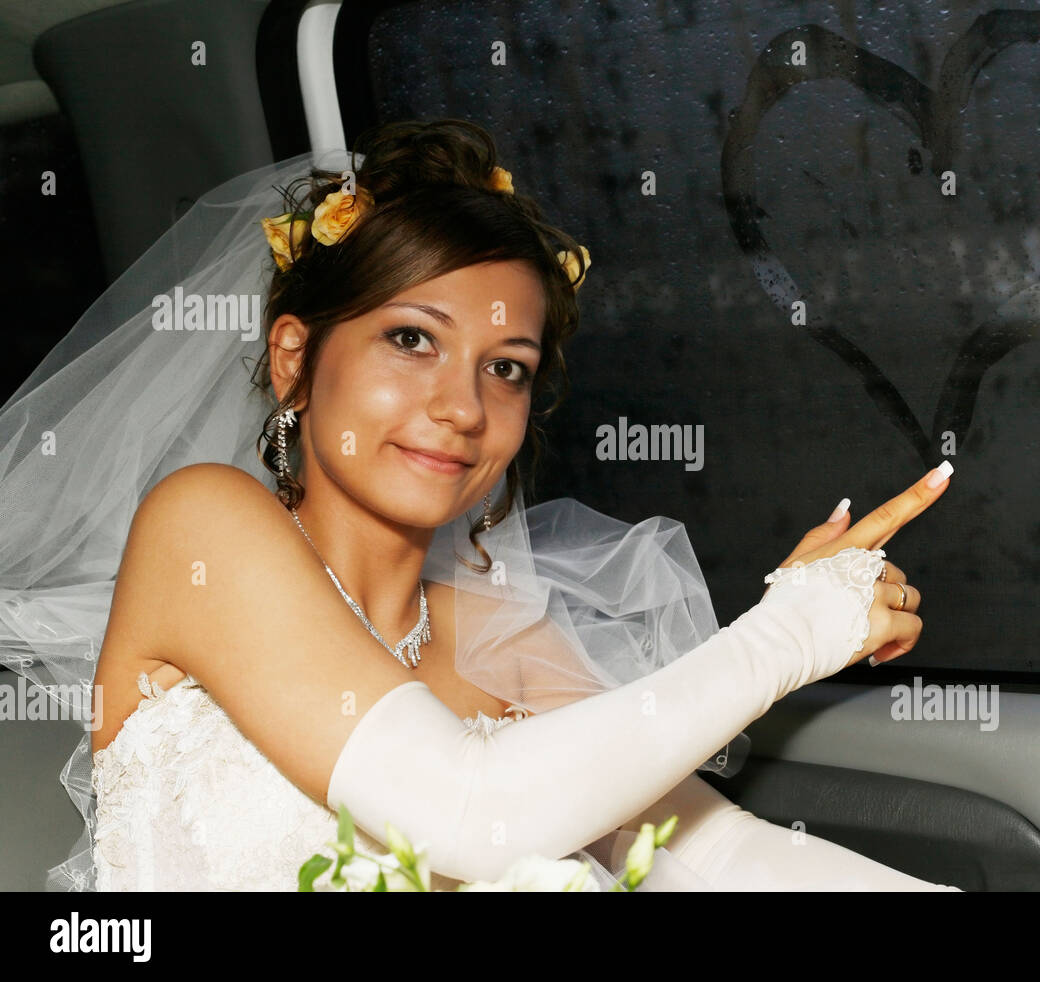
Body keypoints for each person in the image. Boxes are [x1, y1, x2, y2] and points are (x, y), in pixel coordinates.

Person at [1, 117, 958, 891]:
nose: (462, 408)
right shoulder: (202, 528)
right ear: (295, 358)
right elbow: (470, 812)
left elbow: (714, 855)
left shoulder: (509, 639)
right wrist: (788, 635)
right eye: (412, 340)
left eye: (505, 369)